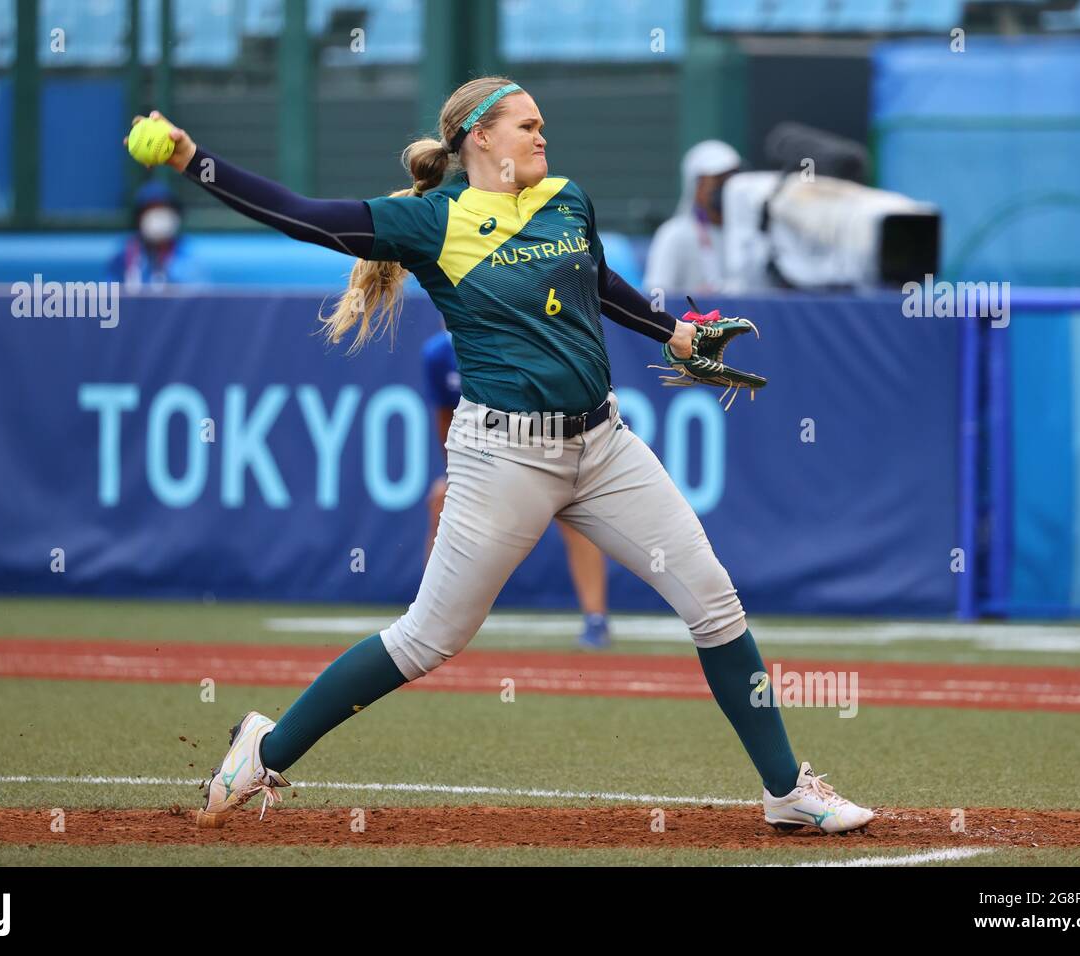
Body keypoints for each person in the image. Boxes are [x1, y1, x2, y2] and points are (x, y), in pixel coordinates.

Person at [128, 76, 873, 834]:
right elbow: (303, 217)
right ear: (478, 137)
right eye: (526, 124)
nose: (541, 136)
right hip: (502, 458)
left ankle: (787, 791)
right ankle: (265, 750)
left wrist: (670, 330)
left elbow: (598, 285)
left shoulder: (567, 199)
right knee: (427, 639)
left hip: (603, 445)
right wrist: (194, 159)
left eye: (542, 124)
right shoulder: (431, 221)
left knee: (714, 603)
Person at [421, 328, 612, 648]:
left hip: (543, 450)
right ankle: (430, 617)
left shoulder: (520, 339)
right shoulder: (438, 355)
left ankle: (596, 619)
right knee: (441, 498)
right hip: (488, 463)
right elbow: (445, 421)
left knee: (574, 508)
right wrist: (459, 474)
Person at [643, 139, 741, 295]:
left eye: (732, 179)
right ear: (696, 186)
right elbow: (656, 297)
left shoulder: (749, 235)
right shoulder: (674, 234)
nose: (728, 188)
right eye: (718, 181)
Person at [106, 181, 207, 289]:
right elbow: (110, 296)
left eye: (163, 208)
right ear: (139, 218)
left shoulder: (189, 253)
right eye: (150, 209)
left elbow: (198, 297)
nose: (158, 216)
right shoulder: (125, 254)